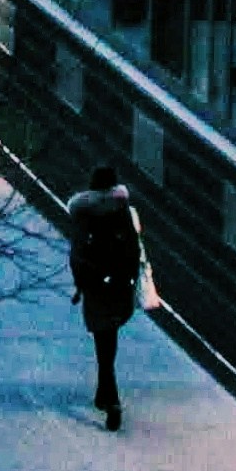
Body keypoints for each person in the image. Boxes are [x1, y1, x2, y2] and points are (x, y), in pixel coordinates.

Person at [66, 165, 148, 430]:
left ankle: (111, 400)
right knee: (108, 339)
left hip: (96, 287)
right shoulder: (122, 210)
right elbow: (135, 249)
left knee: (104, 341)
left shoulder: (83, 213)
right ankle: (104, 394)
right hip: (120, 285)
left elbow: (76, 254)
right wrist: (129, 278)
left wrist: (82, 283)